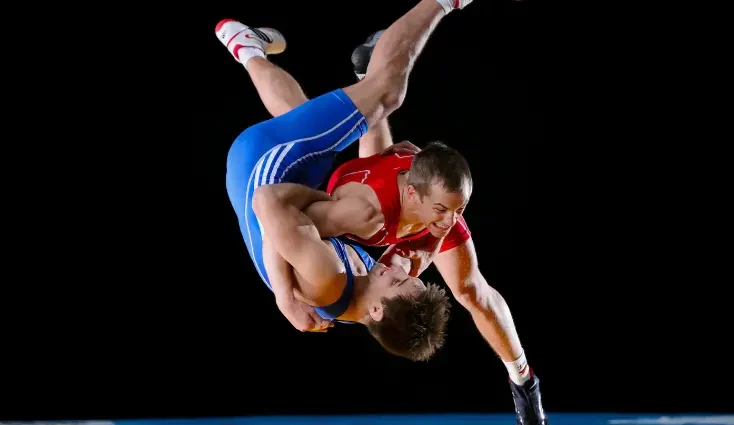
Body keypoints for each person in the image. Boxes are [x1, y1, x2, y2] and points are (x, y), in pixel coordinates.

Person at [216, 0, 475, 361]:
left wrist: (283, 298)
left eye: (398, 281)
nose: (393, 269)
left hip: (267, 161)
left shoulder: (327, 279)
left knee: (386, 93)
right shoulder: (361, 295)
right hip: (278, 172)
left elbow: (266, 201)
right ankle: (247, 48)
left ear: (377, 311)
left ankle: (444, 2)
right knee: (304, 118)